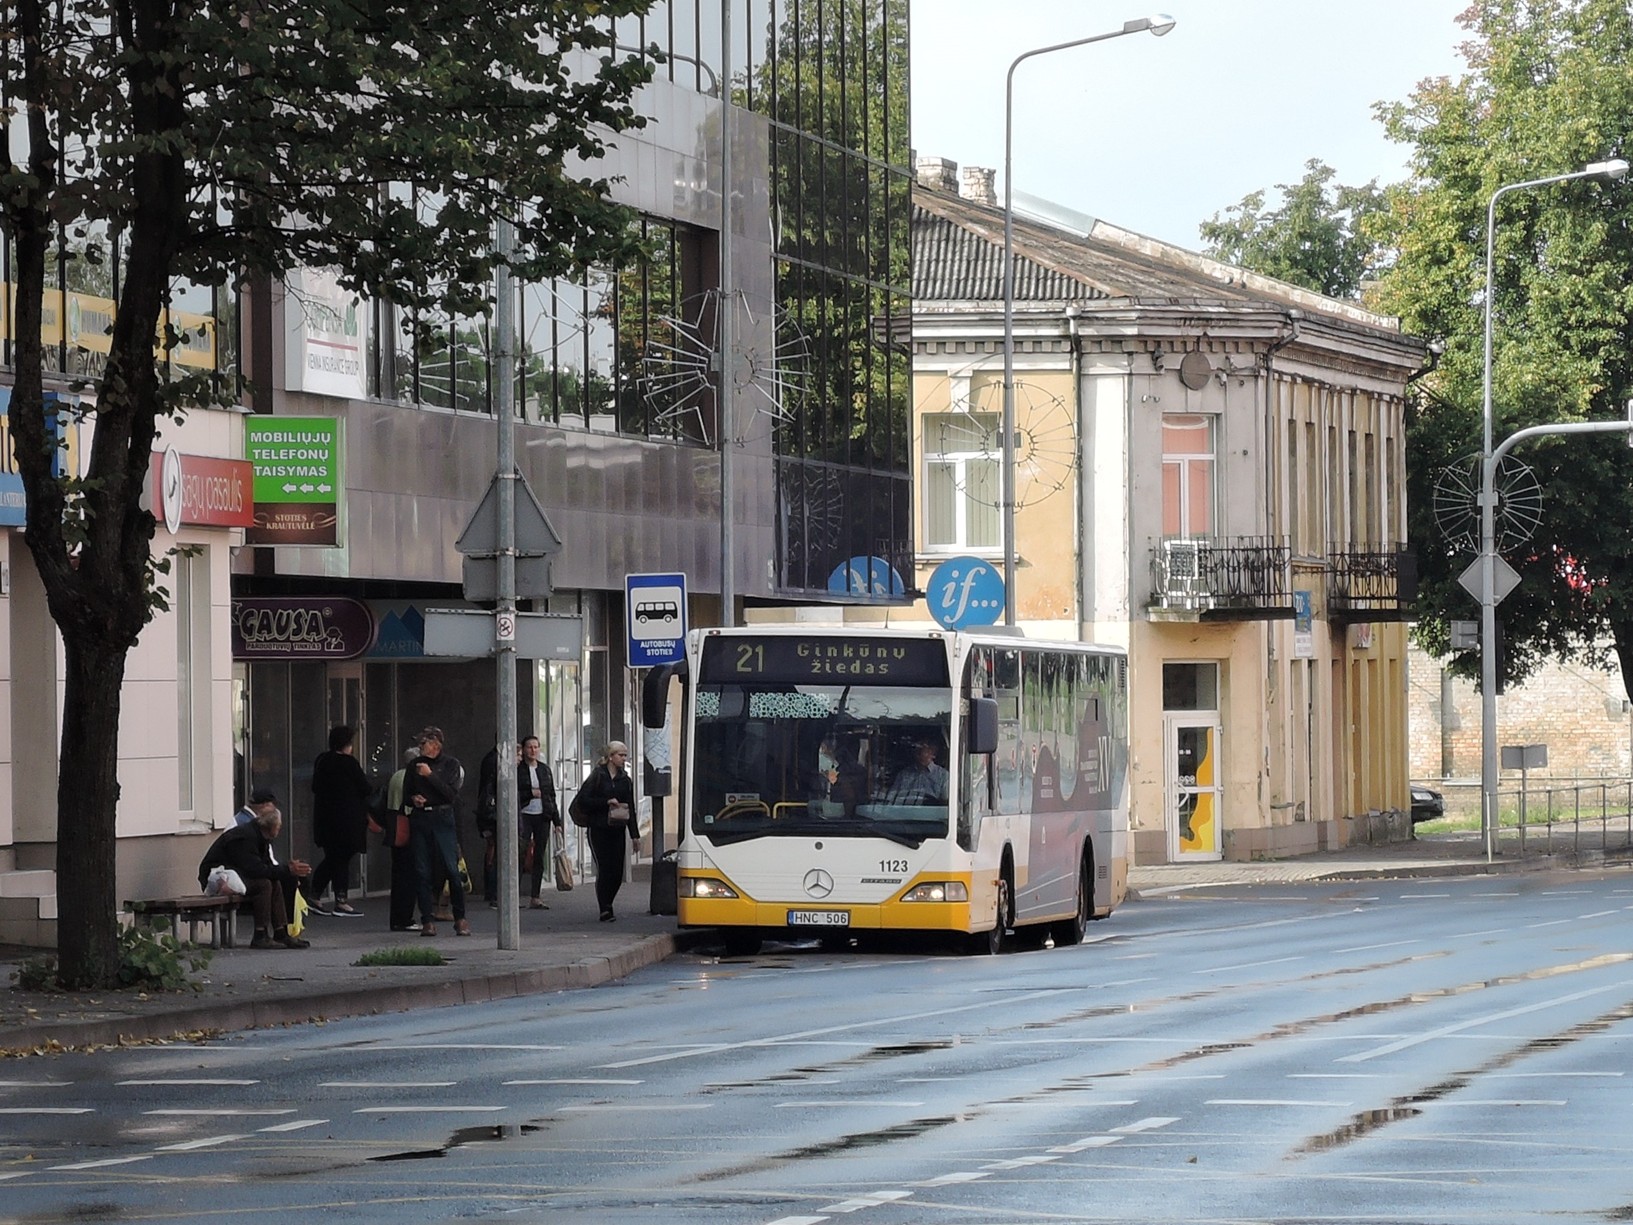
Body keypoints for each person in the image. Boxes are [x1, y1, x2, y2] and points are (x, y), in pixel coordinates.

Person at [197, 806, 312, 949]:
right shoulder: (244, 837)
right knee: (263, 884)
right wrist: (287, 869)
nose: (280, 829)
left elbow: (266, 866)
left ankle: (281, 932)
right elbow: (254, 869)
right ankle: (260, 934)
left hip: (235, 873)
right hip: (216, 877)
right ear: (272, 827)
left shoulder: (260, 836)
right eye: (279, 826)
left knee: (275, 882)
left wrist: (287, 869)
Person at [406, 726, 469, 937]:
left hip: (443, 818)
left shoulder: (450, 764)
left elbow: (450, 794)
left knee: (452, 869)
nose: (420, 748)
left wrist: (430, 775)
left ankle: (460, 917)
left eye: (423, 744)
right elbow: (407, 794)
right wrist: (414, 799)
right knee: (422, 870)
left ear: (435, 744)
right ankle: (427, 919)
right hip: (421, 818)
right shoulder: (413, 765)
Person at [308, 725, 373, 916]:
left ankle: (316, 894)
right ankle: (340, 900)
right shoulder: (348, 763)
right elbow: (365, 788)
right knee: (341, 858)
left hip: (325, 819)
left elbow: (315, 787)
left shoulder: (322, 761)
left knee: (333, 857)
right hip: (347, 821)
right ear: (346, 744)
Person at [575, 740, 638, 922]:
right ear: (611, 757)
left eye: (625, 755)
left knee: (617, 872)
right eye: (620, 755)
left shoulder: (625, 780)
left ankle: (609, 901)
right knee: (604, 868)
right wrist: (606, 801)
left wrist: (634, 835)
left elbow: (630, 808)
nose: (623, 759)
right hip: (598, 828)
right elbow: (583, 800)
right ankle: (605, 908)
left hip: (617, 829)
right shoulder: (597, 776)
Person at [518, 734, 562, 909]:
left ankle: (535, 896)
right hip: (524, 814)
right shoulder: (518, 769)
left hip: (542, 815)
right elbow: (514, 793)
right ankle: (514, 895)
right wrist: (531, 793)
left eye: (536, 747)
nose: (533, 750)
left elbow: (550, 795)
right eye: (529, 747)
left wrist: (556, 821)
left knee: (539, 855)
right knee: (520, 853)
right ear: (524, 749)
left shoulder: (544, 770)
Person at [384, 746, 420, 932]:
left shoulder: (396, 775)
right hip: (406, 826)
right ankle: (404, 918)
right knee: (409, 876)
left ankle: (397, 918)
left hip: (393, 826)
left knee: (398, 876)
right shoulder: (412, 778)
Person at [886, 738, 950, 805]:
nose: (920, 752)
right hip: (905, 813)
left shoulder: (943, 776)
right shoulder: (903, 775)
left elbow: (947, 802)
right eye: (917, 749)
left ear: (933, 754)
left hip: (932, 814)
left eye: (924, 749)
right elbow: (891, 798)